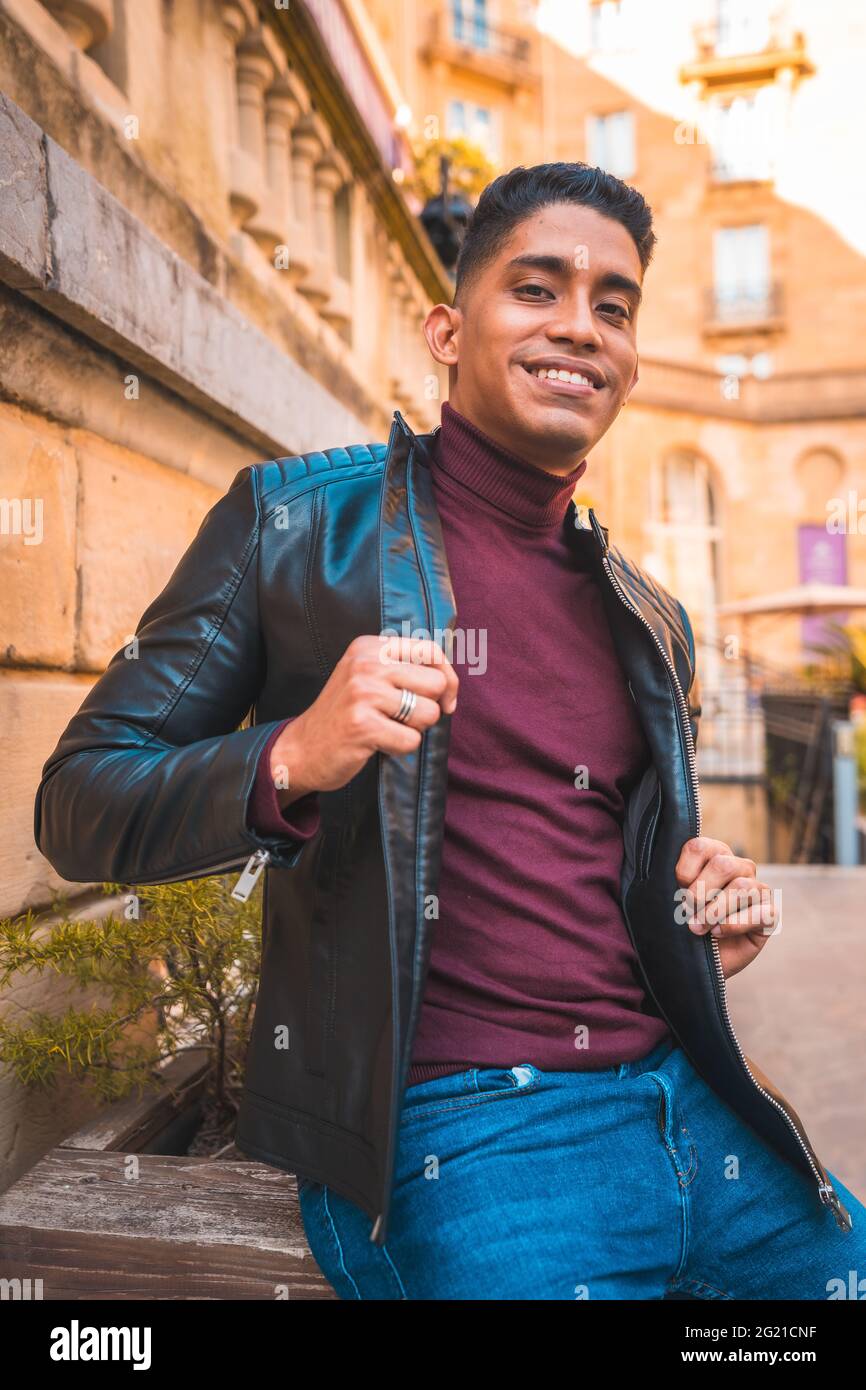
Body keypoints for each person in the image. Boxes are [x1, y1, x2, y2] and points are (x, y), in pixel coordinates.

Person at [35, 163, 864, 1299]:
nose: (579, 326)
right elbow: (79, 803)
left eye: (612, 306)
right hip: (460, 1136)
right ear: (445, 329)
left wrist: (693, 908)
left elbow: (604, 869)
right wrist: (290, 757)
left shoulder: (645, 612)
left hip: (691, 1106)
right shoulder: (292, 526)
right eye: (535, 289)